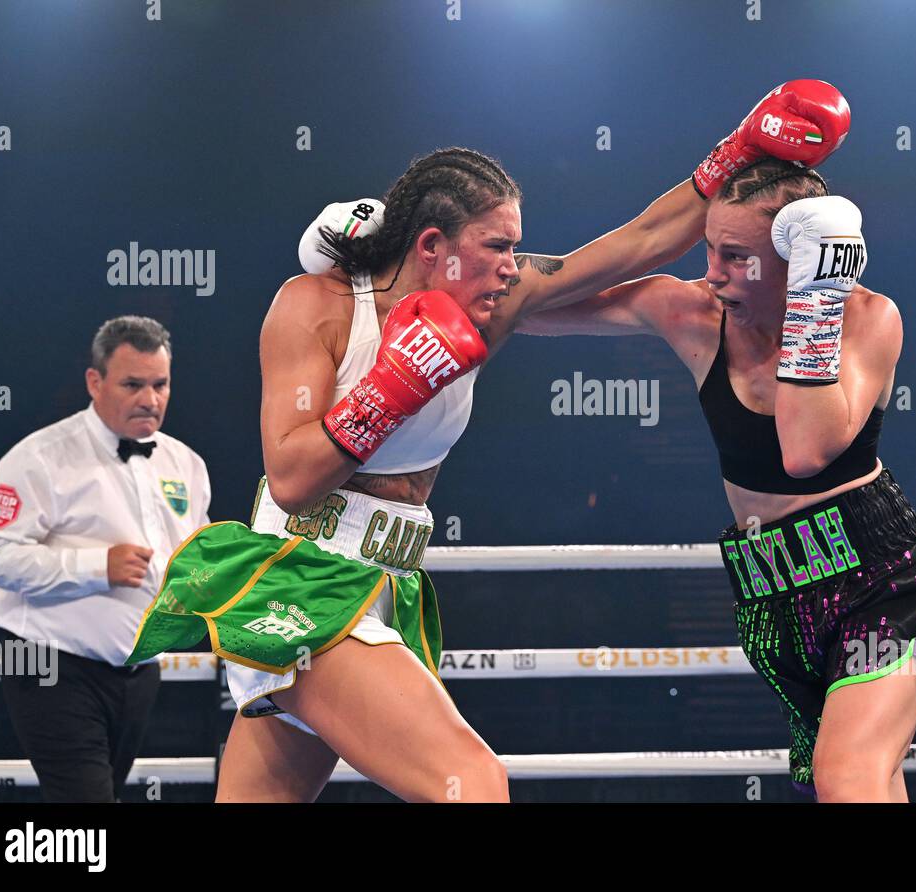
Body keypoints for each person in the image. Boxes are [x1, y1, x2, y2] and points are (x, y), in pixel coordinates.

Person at [131, 81, 845, 803]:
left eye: (515, 247)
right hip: (301, 576)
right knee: (471, 784)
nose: (513, 265)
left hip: (387, 578)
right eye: (497, 246)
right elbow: (288, 476)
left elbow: (640, 242)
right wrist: (389, 389)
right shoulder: (316, 307)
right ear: (433, 246)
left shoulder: (493, 306)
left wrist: (741, 150)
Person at [517, 157, 916, 802]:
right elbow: (523, 307)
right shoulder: (693, 313)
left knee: (848, 775)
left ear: (800, 257)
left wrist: (818, 292)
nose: (712, 272)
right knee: (864, 780)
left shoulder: (866, 319)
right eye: (709, 247)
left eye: (736, 256)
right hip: (774, 591)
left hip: (885, 582)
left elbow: (805, 451)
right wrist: (411, 270)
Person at [0, 316, 210, 802]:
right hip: (50, 665)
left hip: (140, 670)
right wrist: (95, 567)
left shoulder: (185, 463)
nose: (150, 398)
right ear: (94, 382)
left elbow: (193, 555)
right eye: (133, 384)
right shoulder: (40, 458)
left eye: (160, 384)